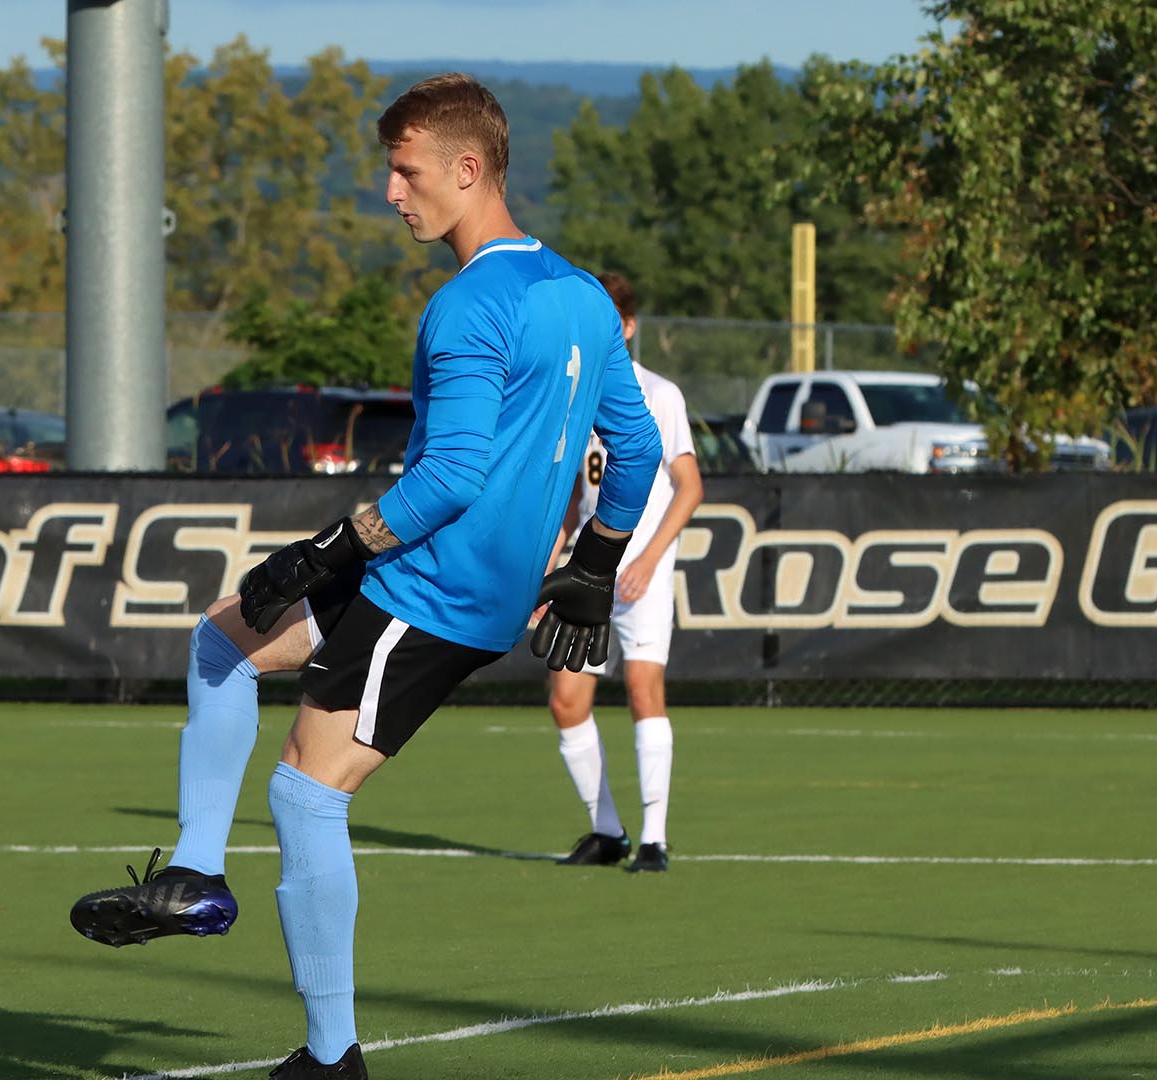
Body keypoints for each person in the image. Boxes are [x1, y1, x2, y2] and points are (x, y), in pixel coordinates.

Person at [66, 74, 662, 1080]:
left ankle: (332, 1059)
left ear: (468, 170)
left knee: (306, 795)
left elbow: (452, 476)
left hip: (432, 587)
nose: (392, 192)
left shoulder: (466, 307)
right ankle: (199, 874)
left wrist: (326, 552)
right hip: (459, 577)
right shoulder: (580, 295)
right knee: (223, 637)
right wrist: (593, 564)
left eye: (406, 170)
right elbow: (635, 450)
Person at [542, 273, 704, 875]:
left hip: (640, 576)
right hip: (588, 575)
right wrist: (551, 565)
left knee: (643, 691)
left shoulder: (659, 394)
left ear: (628, 329)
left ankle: (655, 840)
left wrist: (647, 559)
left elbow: (689, 488)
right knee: (565, 700)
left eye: (609, 320)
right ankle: (607, 830)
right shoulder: (571, 399)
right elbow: (570, 501)